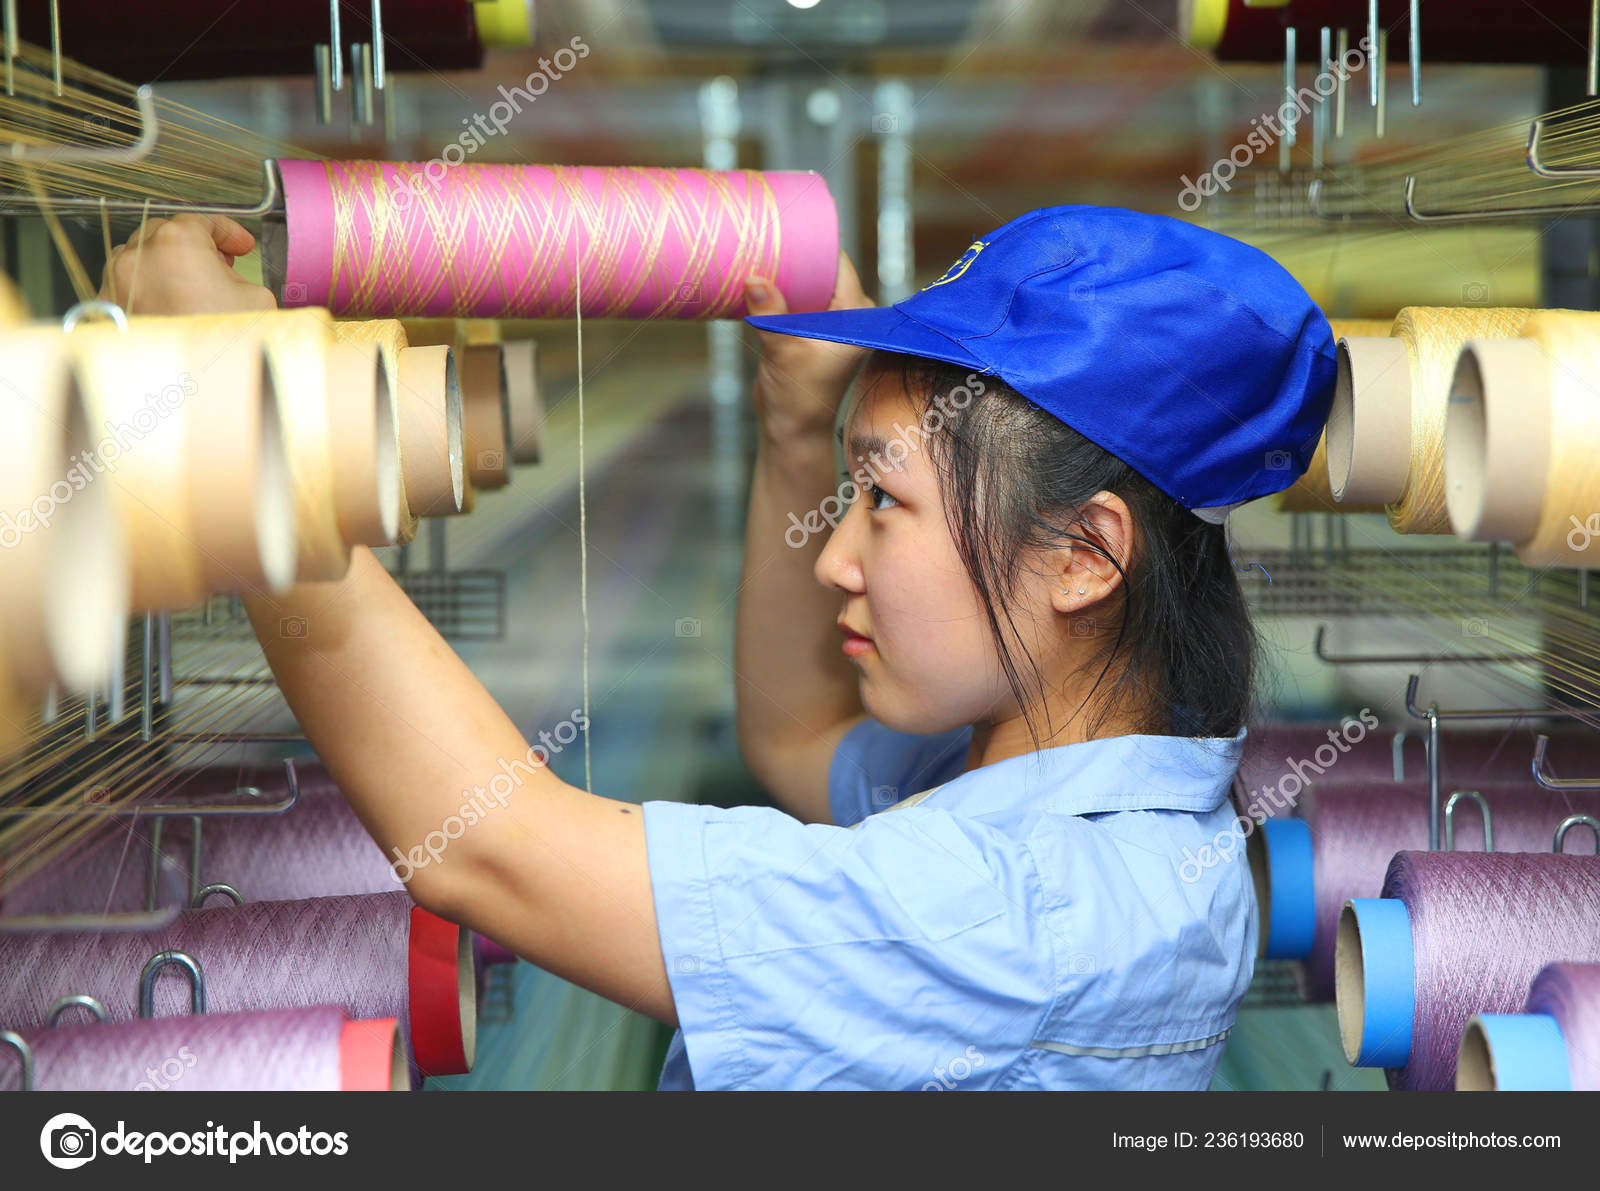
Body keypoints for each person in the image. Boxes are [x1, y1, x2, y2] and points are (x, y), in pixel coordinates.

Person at [100, 204, 1335, 1090]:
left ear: (1083, 555)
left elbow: (482, 846)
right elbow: (796, 740)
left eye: (883, 503)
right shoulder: (1065, 810)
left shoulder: (1028, 919)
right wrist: (803, 428)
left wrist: (226, 420)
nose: (835, 558)